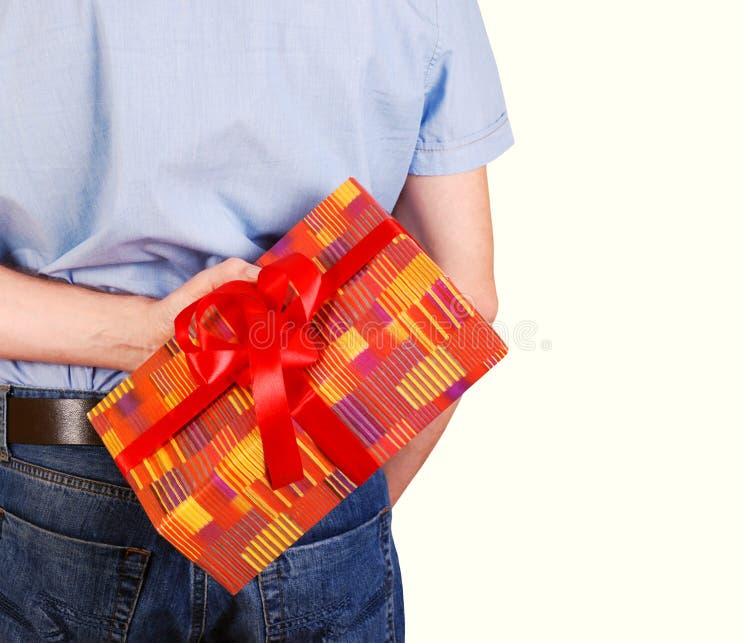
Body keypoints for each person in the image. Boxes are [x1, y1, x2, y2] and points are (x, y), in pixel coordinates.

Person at [0, 1, 513, 640]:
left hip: (60, 468)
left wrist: (151, 335)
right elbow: (465, 298)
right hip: (313, 455)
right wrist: (329, 502)